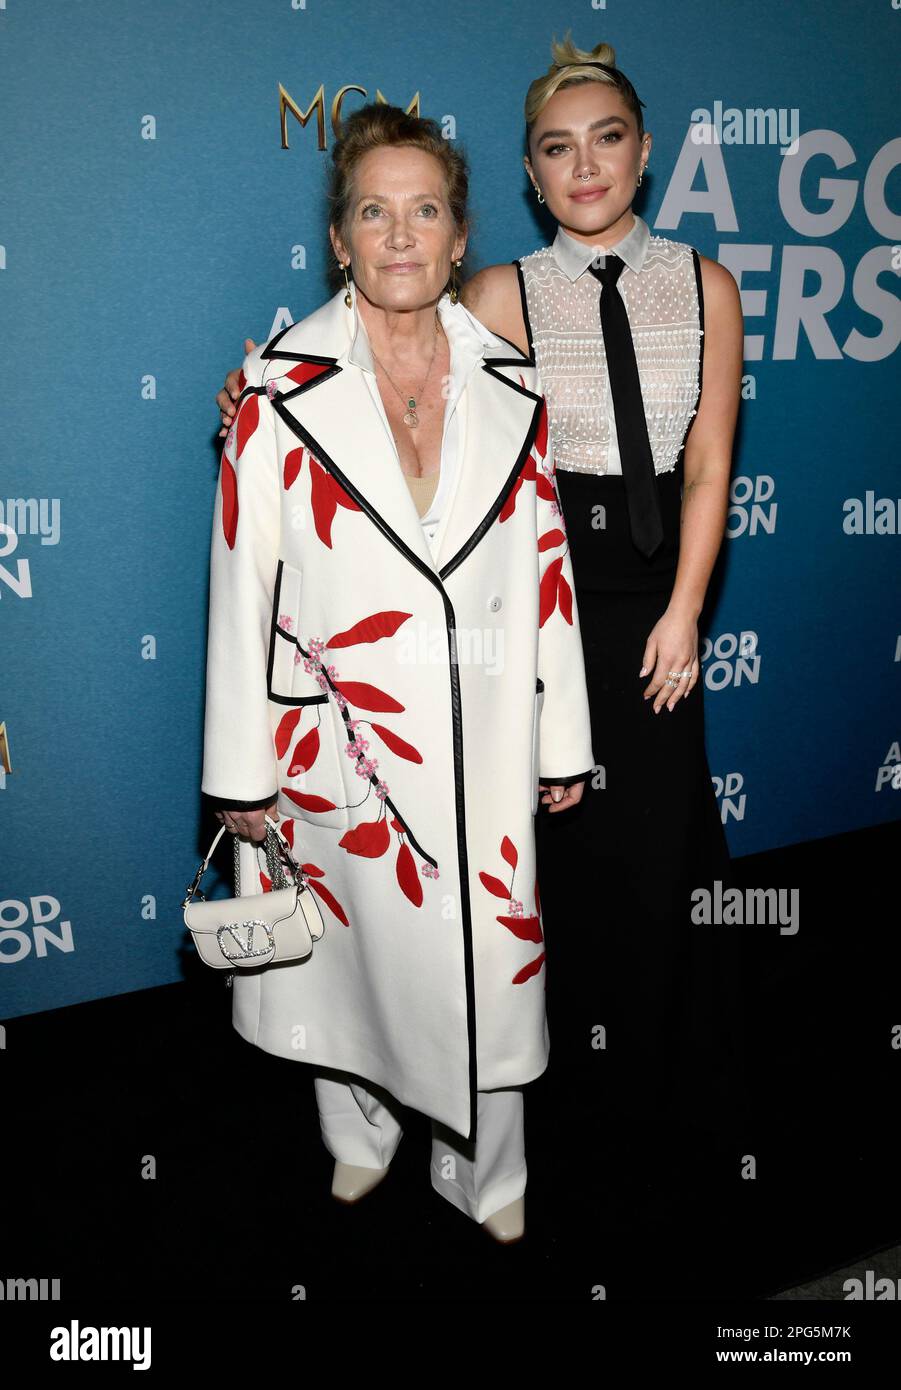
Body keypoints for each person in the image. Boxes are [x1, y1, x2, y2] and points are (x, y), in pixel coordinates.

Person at [216, 38, 747, 1183]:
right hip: (528, 614)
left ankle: (642, 1093)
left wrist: (688, 610)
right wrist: (257, 394)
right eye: (558, 147)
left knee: (653, 867)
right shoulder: (497, 293)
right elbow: (402, 385)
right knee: (521, 880)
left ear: (645, 152)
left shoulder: (708, 284)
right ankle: (508, 1101)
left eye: (607, 139)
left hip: (654, 607)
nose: (586, 165)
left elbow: (710, 463)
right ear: (528, 173)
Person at [201, 102, 595, 1244]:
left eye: (425, 210)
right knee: (352, 956)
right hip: (337, 746)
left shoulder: (516, 387)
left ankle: (487, 1173)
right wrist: (240, 771)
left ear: (463, 233)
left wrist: (560, 736)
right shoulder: (273, 392)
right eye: (375, 212)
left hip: (479, 745)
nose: (402, 235)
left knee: (489, 962)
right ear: (340, 239)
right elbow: (241, 589)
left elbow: (549, 577)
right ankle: (358, 1136)